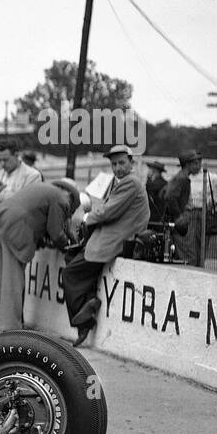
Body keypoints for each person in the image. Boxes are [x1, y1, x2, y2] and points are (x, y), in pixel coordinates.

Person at [60, 144, 151, 347]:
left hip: (112, 241)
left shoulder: (130, 183)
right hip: (110, 238)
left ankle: (83, 320)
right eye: (114, 164)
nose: (117, 168)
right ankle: (89, 301)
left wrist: (85, 217)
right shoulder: (126, 182)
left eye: (121, 163)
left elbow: (108, 211)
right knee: (71, 260)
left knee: (69, 273)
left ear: (131, 163)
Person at [0, 180, 79, 330]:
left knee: (0, 276)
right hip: (16, 226)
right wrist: (69, 246)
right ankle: (11, 326)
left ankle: (1, 319)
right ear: (72, 200)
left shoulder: (44, 188)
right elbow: (56, 232)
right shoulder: (61, 199)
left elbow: (38, 216)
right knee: (13, 279)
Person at [0, 139, 42, 326]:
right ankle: (1, 320)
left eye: (6, 159)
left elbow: (28, 201)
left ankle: (12, 323)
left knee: (12, 278)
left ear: (16, 155)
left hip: (17, 230)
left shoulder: (32, 175)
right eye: (0, 160)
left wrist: (1, 194)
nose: (3, 164)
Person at [164, 150, 217, 266]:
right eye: (195, 162)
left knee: (201, 247)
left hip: (203, 213)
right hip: (187, 214)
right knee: (187, 248)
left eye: (199, 161)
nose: (198, 165)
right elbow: (171, 196)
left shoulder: (211, 177)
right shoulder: (182, 177)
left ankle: (199, 268)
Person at [144, 160, 170, 224]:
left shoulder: (153, 185)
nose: (147, 171)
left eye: (149, 169)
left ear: (154, 171)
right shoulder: (164, 183)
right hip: (160, 217)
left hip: (153, 217)